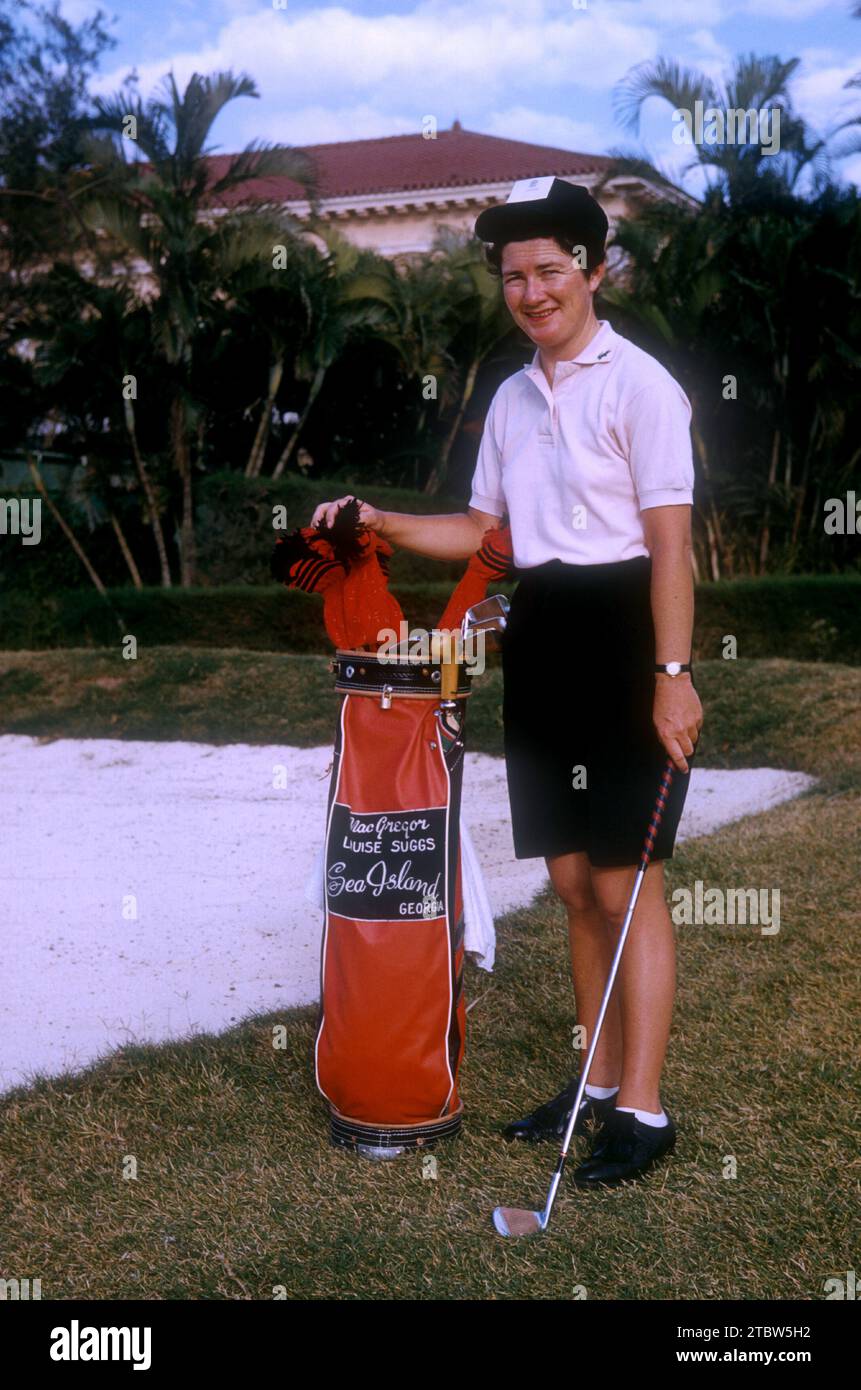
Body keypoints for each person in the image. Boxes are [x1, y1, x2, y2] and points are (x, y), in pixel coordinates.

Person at [311, 176, 703, 1187]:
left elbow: (670, 548)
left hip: (624, 632)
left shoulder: (642, 386)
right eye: (513, 275)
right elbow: (490, 536)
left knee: (626, 879)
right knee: (572, 882)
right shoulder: (512, 396)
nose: (529, 291)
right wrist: (385, 522)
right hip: (542, 634)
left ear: (592, 270)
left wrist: (673, 675)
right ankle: (597, 1085)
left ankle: (646, 1111)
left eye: (548, 269)